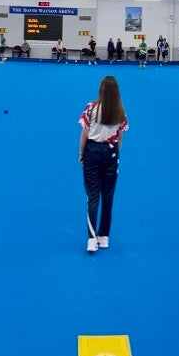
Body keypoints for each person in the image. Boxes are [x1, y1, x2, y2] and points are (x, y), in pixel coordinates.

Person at [78, 76, 127, 253]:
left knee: (93, 196)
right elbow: (120, 138)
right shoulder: (120, 112)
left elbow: (84, 134)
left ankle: (92, 240)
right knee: (108, 195)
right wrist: (114, 154)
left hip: (92, 151)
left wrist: (81, 153)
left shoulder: (91, 108)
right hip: (111, 153)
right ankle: (104, 237)